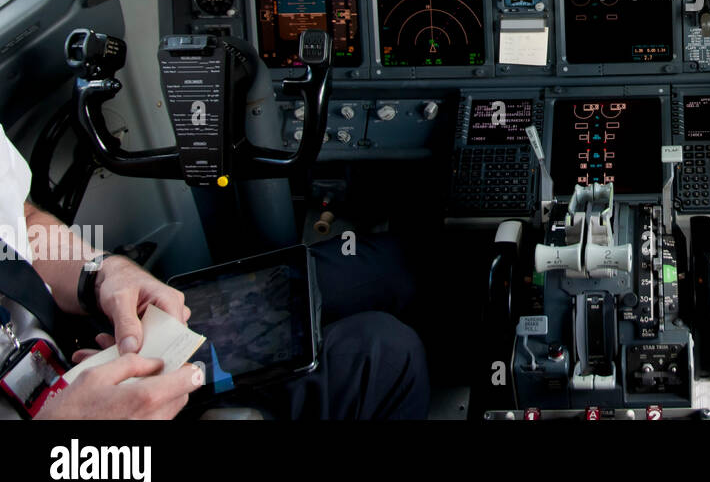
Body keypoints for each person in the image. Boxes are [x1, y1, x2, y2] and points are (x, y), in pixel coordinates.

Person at [0, 123, 430, 419]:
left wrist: (101, 272)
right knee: (387, 354)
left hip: (87, 351)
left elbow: (24, 224)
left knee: (394, 266)